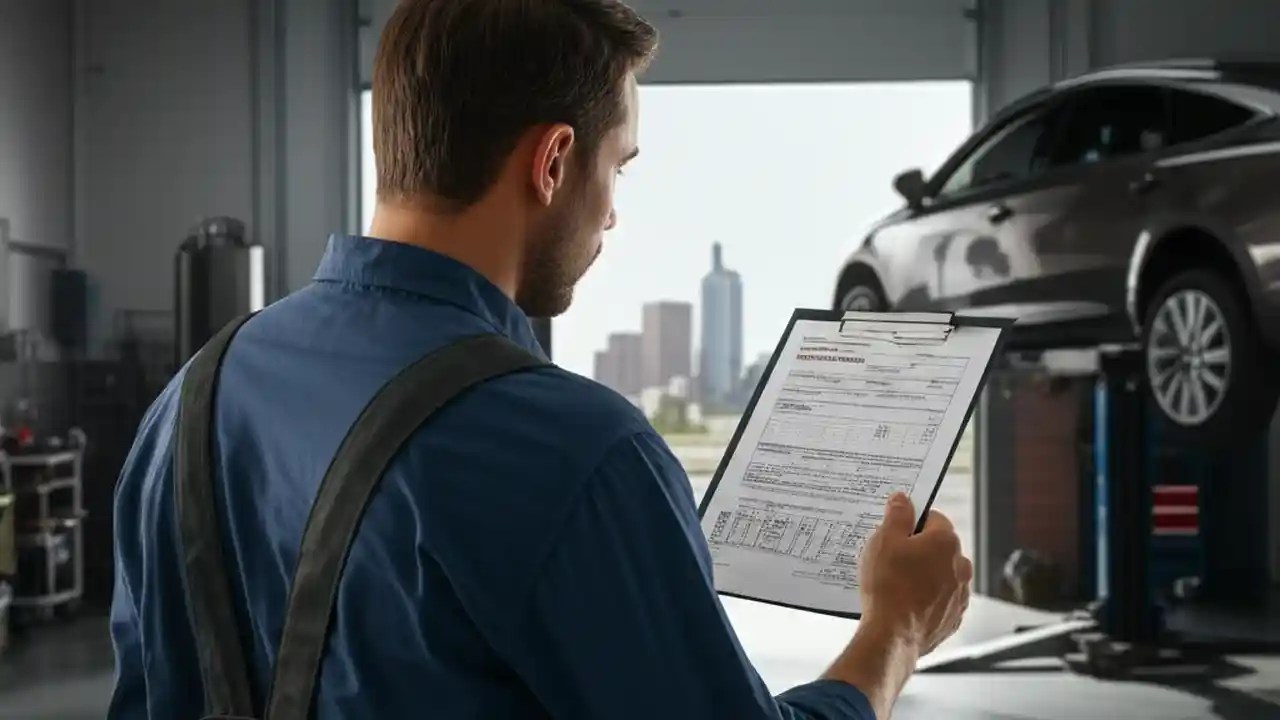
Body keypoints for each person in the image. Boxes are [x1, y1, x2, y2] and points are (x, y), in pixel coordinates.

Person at [108, 1, 972, 718]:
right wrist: (894, 628)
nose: (611, 216)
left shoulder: (188, 401)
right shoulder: (573, 450)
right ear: (555, 160)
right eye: (617, 170)